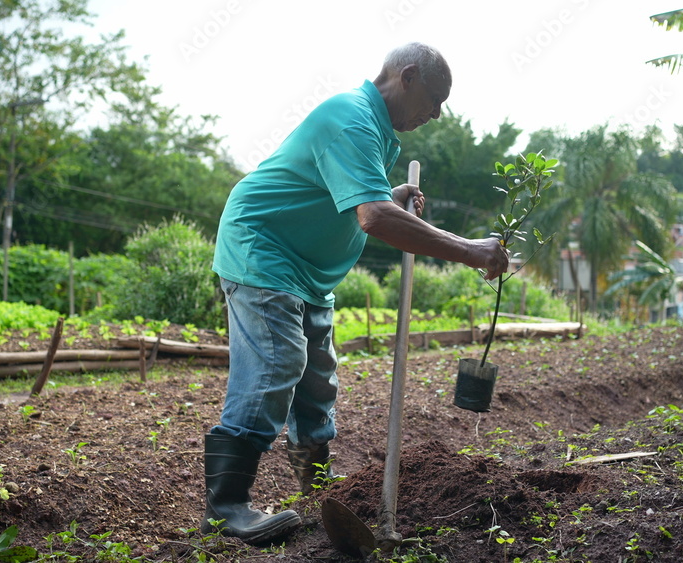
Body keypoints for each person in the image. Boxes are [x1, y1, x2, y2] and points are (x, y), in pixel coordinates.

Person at [202, 42, 510, 545]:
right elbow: (373, 219)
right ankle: (226, 507)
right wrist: (471, 250)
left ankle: (316, 494)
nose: (436, 114)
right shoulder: (349, 116)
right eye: (435, 100)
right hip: (262, 249)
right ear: (407, 76)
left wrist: (391, 195)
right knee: (278, 363)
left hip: (309, 273)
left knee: (318, 383)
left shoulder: (377, 132)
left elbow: (348, 197)